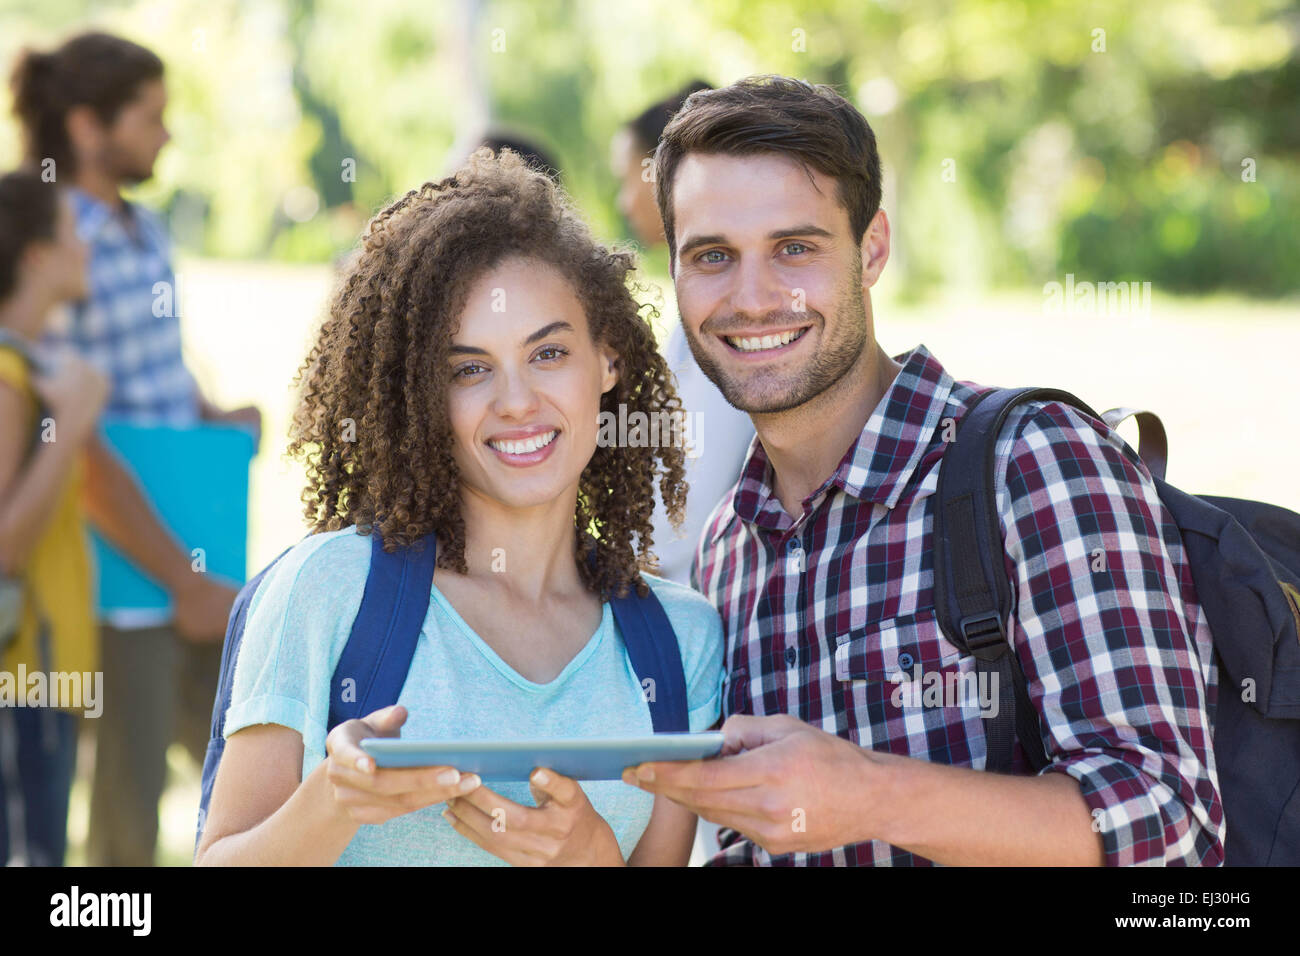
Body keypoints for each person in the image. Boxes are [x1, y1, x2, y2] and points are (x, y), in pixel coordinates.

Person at [622, 75, 1223, 866]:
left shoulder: (1033, 463)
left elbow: (1170, 821)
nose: (753, 296)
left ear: (873, 248)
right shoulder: (730, 547)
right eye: (712, 256)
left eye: (795, 248)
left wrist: (868, 794)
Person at [194, 149, 724, 866]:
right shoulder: (327, 590)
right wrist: (335, 799)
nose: (515, 401)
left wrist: (591, 855)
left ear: (608, 360)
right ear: (421, 396)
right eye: (469, 369)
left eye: (549, 354)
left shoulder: (681, 638)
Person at [9, 31, 260, 866]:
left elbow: (151, 369)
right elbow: (75, 445)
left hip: (191, 543)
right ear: (87, 127)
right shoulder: (48, 242)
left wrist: (213, 417)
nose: (165, 135)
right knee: (128, 802)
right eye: (149, 117)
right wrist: (180, 581)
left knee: (248, 762)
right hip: (127, 570)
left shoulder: (144, 228)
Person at [613, 82, 756, 865]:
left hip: (694, 611)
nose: (621, 195)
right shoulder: (684, 308)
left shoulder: (734, 332)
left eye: (628, 172)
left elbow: (683, 511)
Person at [0, 170, 105, 865]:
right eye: (73, 232)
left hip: (42, 675)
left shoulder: (30, 365)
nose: (86, 246)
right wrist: (70, 424)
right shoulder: (11, 376)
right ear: (37, 256)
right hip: (19, 679)